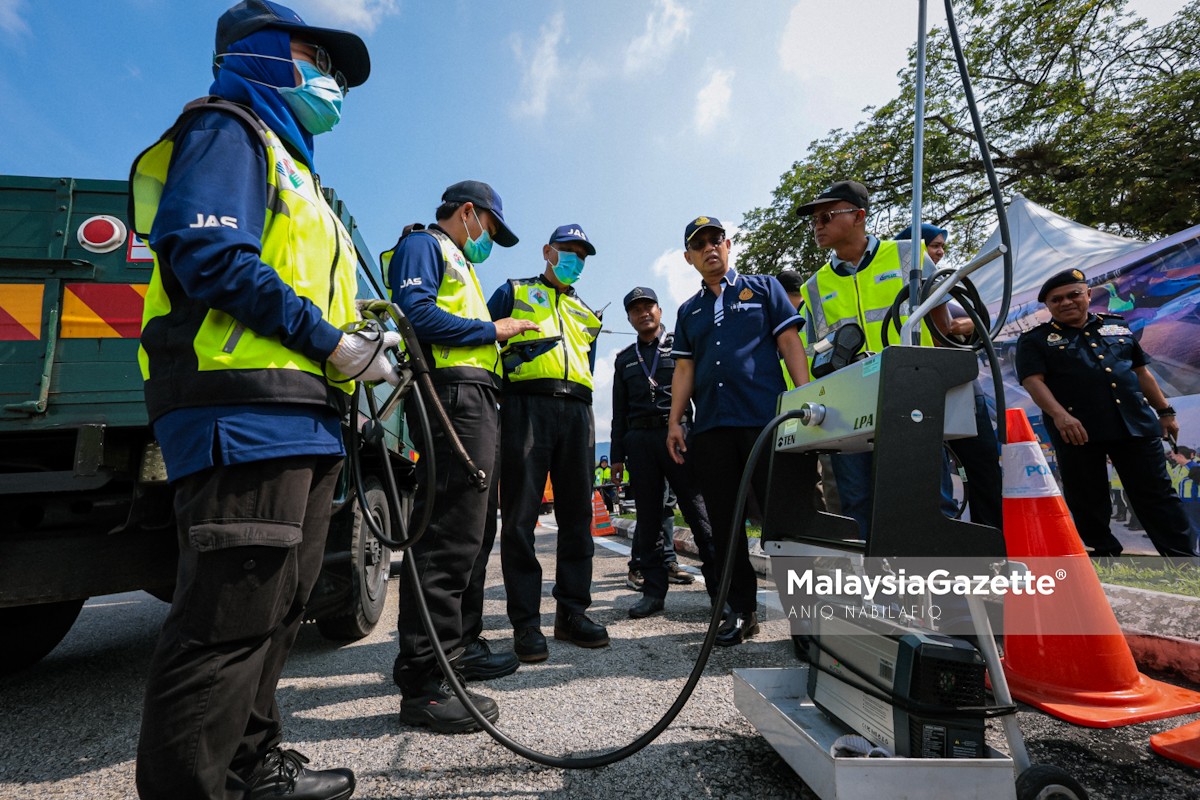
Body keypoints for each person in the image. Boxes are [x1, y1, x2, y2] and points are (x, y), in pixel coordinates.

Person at [133, 3, 383, 797]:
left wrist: (354, 346)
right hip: (241, 410)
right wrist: (329, 340)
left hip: (301, 413)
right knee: (227, 622)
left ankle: (250, 768)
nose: (329, 79)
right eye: (318, 57)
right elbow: (210, 253)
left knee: (280, 607)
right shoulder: (227, 128)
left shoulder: (297, 170)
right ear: (264, 51)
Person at [385, 180, 538, 733]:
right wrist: (490, 329)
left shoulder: (458, 261)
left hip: (475, 395)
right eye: (490, 229)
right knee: (446, 537)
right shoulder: (423, 245)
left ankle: (457, 652)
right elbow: (415, 315)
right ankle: (426, 681)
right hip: (450, 396)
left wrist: (497, 344)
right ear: (469, 213)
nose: (489, 241)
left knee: (471, 534)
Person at [667, 217, 810, 645]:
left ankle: (808, 622)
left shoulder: (764, 289)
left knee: (785, 521)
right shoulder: (688, 311)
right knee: (726, 525)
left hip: (765, 420)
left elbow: (789, 343)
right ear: (689, 258)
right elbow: (684, 368)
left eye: (716, 240)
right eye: (700, 245)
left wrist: (807, 397)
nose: (710, 248)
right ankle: (742, 611)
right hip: (712, 428)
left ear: (728, 245)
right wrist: (675, 421)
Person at [795, 182, 955, 540]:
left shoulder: (909, 255)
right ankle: (876, 576)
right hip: (849, 408)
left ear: (859, 216)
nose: (817, 225)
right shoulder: (814, 287)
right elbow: (811, 354)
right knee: (858, 504)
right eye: (814, 220)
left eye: (826, 216)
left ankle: (941, 573)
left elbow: (942, 326)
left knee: (929, 496)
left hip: (912, 394)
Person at [488, 225, 608, 662]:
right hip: (525, 406)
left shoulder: (587, 313)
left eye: (582, 255)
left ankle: (572, 614)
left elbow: (587, 363)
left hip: (577, 410)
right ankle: (525, 624)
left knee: (577, 516)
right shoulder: (513, 291)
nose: (575, 260)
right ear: (547, 251)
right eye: (567, 251)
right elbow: (485, 345)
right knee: (520, 517)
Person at [1016, 268, 1195, 558]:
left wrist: (1165, 410)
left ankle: (1182, 559)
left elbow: (1141, 373)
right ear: (1048, 306)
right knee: (1088, 497)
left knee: (1157, 494)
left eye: (1073, 295)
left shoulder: (1116, 326)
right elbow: (1033, 381)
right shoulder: (1035, 339)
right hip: (1078, 430)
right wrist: (1060, 416)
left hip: (1134, 423)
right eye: (1056, 300)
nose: (1066, 302)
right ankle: (1104, 555)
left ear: (1088, 295)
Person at [610, 286, 715, 619]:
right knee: (649, 520)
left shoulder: (681, 345)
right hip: (639, 442)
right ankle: (653, 593)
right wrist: (616, 456)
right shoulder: (624, 358)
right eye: (635, 309)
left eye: (648, 307)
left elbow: (700, 393)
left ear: (659, 310)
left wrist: (703, 439)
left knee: (698, 513)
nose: (643, 313)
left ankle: (720, 592)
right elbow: (618, 412)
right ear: (629, 317)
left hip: (678, 435)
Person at [895, 221, 1003, 529]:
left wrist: (965, 324)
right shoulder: (909, 291)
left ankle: (990, 534)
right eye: (933, 246)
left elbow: (971, 324)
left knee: (981, 461)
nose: (940, 252)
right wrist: (961, 324)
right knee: (933, 465)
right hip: (923, 383)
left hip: (960, 381)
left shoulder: (946, 291)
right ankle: (944, 531)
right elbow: (944, 328)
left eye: (942, 246)